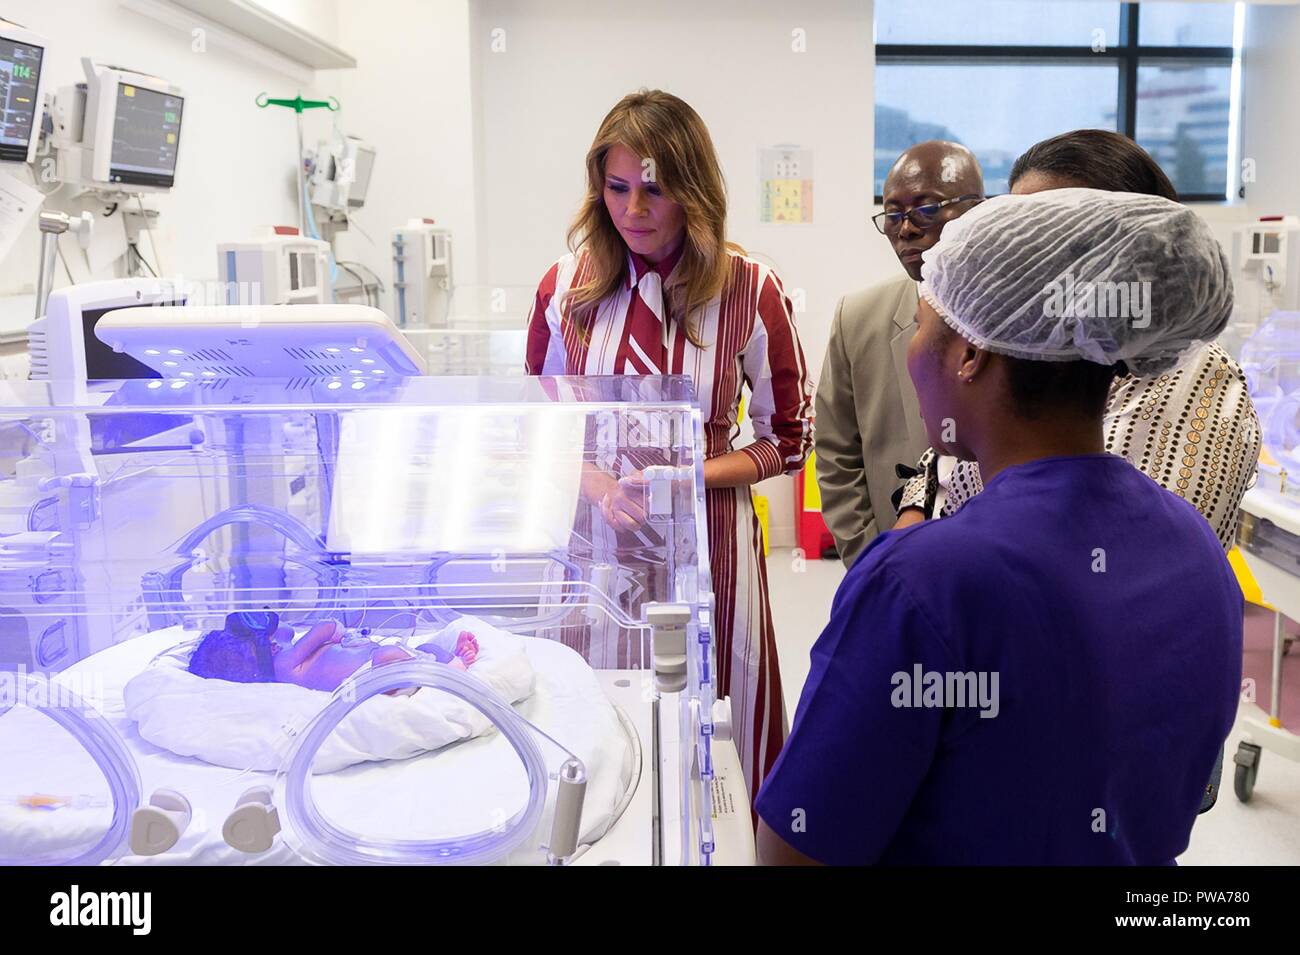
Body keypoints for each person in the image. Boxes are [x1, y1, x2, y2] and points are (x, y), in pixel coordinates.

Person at [755, 188, 1243, 865]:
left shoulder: (920, 582)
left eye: (924, 326)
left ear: (971, 354)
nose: (910, 350)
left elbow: (791, 852)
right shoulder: (1194, 549)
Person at [525, 89, 813, 804]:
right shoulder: (566, 288)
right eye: (617, 189)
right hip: (594, 545)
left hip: (713, 543)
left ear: (693, 188)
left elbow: (790, 438)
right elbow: (539, 422)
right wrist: (597, 486)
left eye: (653, 189)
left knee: (719, 721)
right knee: (593, 724)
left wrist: (690, 477)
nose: (633, 210)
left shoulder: (751, 290)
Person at [895, 129, 1261, 554]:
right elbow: (944, 458)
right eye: (1019, 232)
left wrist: (928, 566)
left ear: (1130, 244)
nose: (1027, 254)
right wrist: (916, 518)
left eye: (1056, 233)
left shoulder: (1199, 380)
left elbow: (1129, 566)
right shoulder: (1029, 346)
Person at [815, 141, 984, 567]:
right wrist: (871, 559)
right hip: (891, 559)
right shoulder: (857, 317)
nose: (905, 228)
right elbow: (837, 452)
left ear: (977, 210)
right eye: (892, 214)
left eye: (925, 209)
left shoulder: (1015, 322)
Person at [188, 611, 479, 691]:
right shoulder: (283, 666)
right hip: (376, 674)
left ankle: (445, 657)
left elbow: (286, 632)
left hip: (389, 669)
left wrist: (266, 637)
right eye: (265, 645)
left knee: (423, 647)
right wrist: (340, 634)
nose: (275, 642)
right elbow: (326, 627)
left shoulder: (279, 662)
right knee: (389, 654)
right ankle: (452, 670)